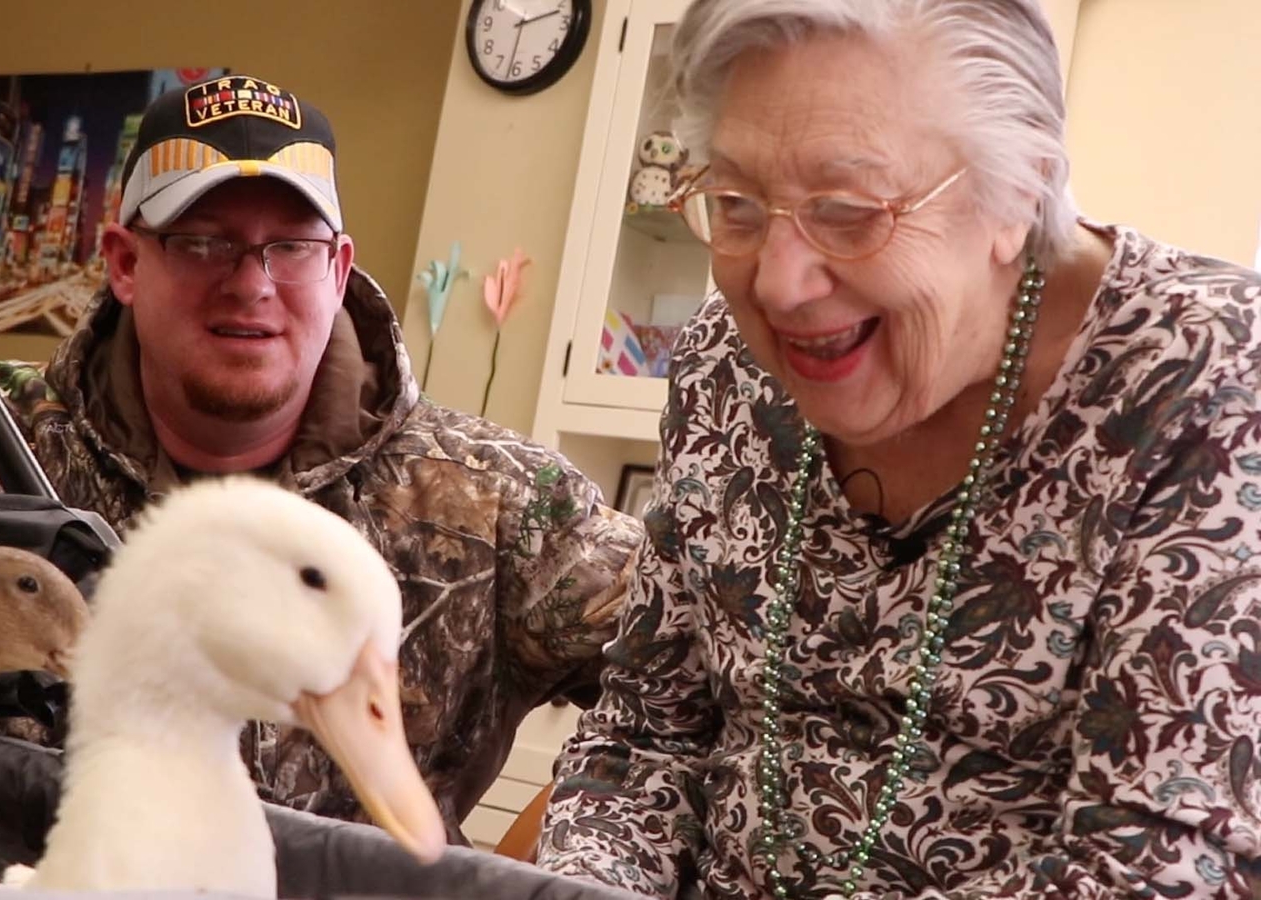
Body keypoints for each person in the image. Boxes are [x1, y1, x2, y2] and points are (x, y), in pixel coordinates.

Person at [0, 49, 642, 854]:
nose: (251, 284)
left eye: (290, 246)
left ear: (339, 267)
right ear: (127, 263)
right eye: (205, 241)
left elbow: (695, 676)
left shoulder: (499, 503)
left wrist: (567, 859)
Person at [536, 1, 1261, 898]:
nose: (777, 283)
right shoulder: (727, 360)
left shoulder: (1212, 376)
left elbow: (1154, 862)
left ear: (1020, 190)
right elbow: (644, 736)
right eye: (736, 205)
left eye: (846, 211)